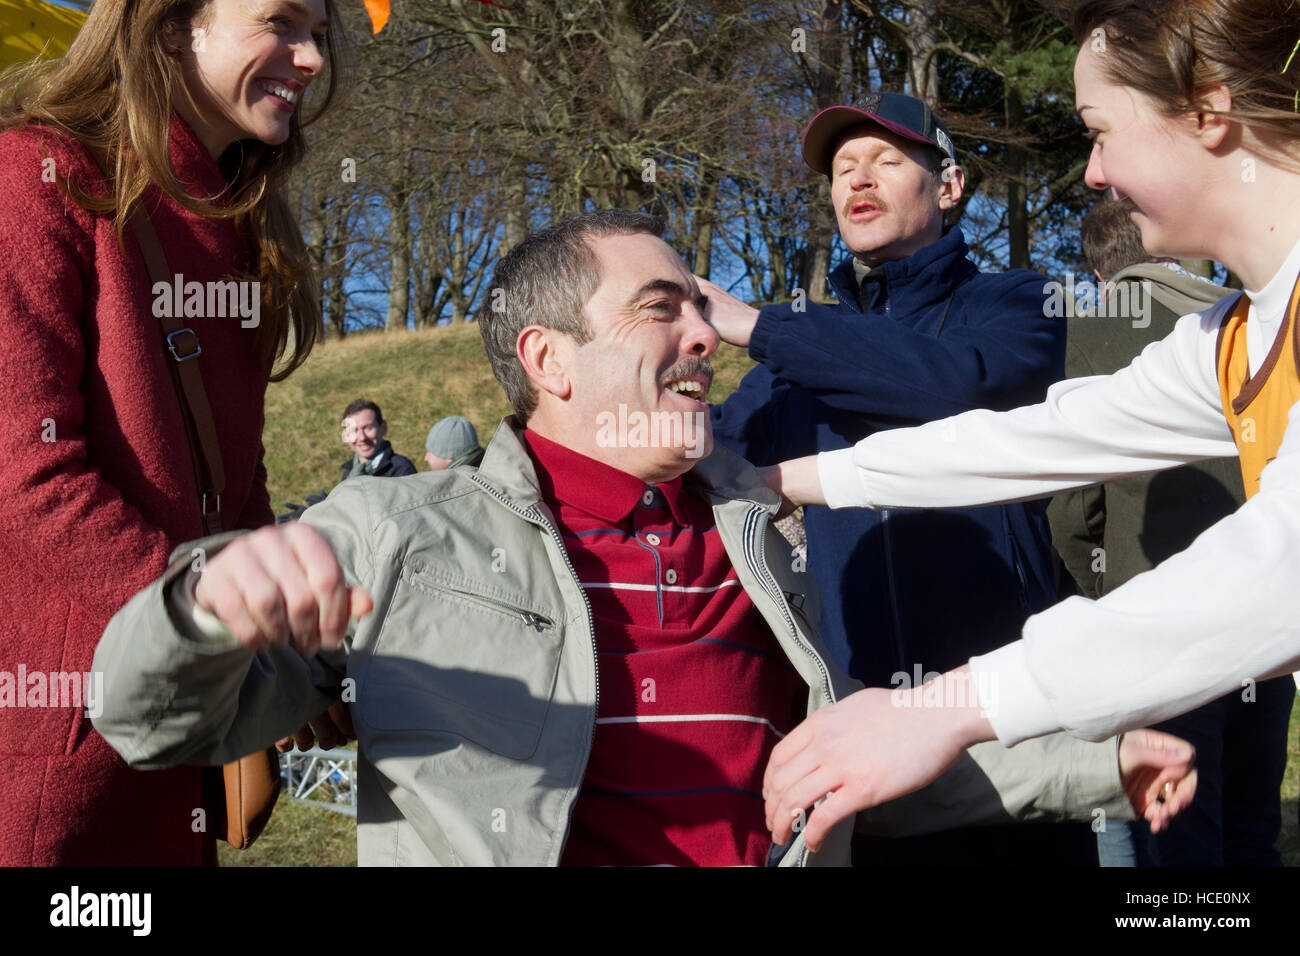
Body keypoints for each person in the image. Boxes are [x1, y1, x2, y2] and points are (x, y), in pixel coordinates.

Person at [91, 211, 1196, 866]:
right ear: (550, 360)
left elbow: (855, 763)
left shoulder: (761, 539)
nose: (705, 335)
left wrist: (1094, 760)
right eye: (661, 308)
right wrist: (201, 612)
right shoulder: (398, 528)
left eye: (701, 310)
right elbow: (145, 721)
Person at [758, 0, 1300, 855]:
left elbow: (1283, 567)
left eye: (1100, 130)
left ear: (1208, 111)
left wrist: (942, 710)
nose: (1090, 173)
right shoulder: (1233, 336)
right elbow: (1041, 439)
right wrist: (789, 482)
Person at [704, 91, 1091, 864]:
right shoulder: (794, 360)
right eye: (844, 168)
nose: (859, 179)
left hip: (1004, 729)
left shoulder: (1014, 301)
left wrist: (762, 327)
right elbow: (712, 458)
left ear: (948, 187)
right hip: (861, 748)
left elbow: (960, 385)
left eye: (885, 160)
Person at [0, 0, 343, 865]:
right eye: (281, 22)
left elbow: (235, 490)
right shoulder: (34, 178)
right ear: (166, 28)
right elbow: (26, 475)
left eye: (321, 36)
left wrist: (295, 639)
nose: (309, 59)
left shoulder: (242, 229)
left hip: (173, 738)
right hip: (49, 751)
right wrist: (216, 619)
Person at [1049, 198, 1291, 867]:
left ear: (1101, 272)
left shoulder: (1095, 331)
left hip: (1155, 627)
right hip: (1269, 626)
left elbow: (1074, 504)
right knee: (1249, 834)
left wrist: (1094, 586)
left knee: (1173, 845)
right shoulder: (1251, 322)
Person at [338, 399, 416, 482]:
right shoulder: (348, 474)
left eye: (367, 428)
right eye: (353, 430)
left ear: (383, 428)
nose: (362, 438)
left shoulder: (402, 470)